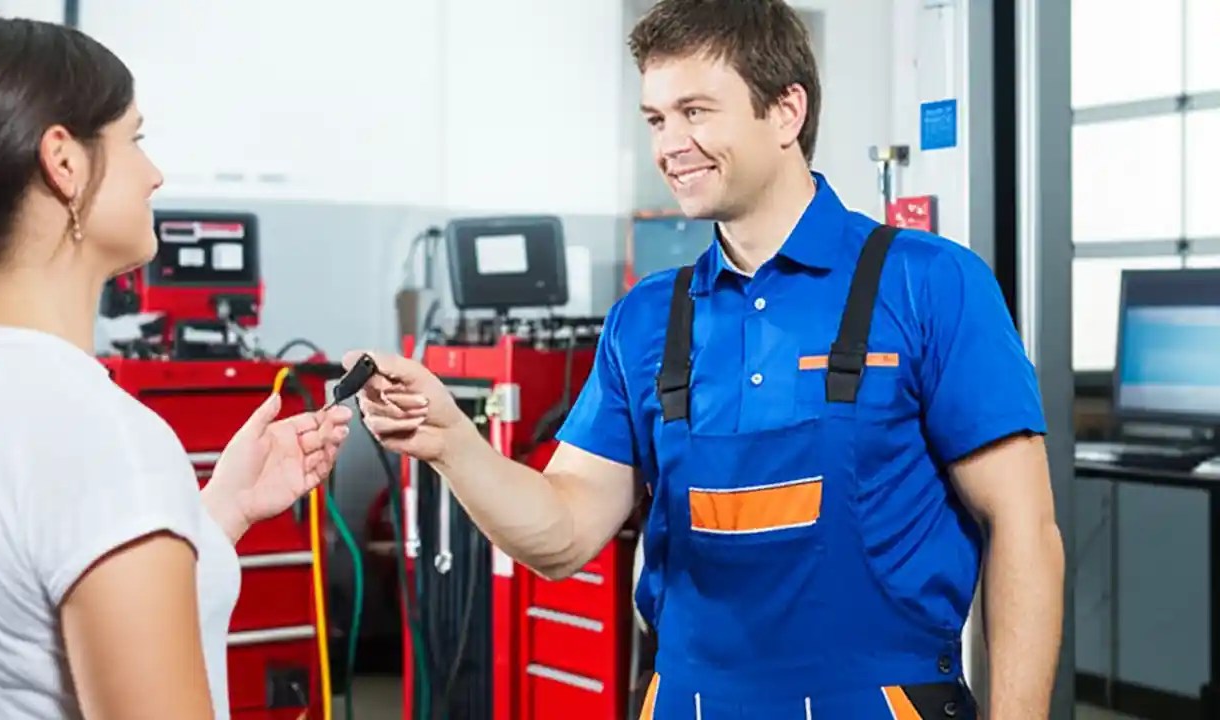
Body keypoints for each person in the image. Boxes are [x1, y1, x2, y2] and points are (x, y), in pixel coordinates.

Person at [353, 0, 1064, 718]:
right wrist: (451, 444)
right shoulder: (647, 319)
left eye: (696, 111)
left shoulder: (931, 285)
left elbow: (1024, 529)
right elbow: (563, 533)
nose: (671, 144)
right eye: (657, 119)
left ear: (786, 112)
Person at [0, 18, 352, 720]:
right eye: (133, 138)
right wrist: (142, 488)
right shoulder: (101, 435)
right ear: (63, 162)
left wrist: (218, 511)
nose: (154, 172)